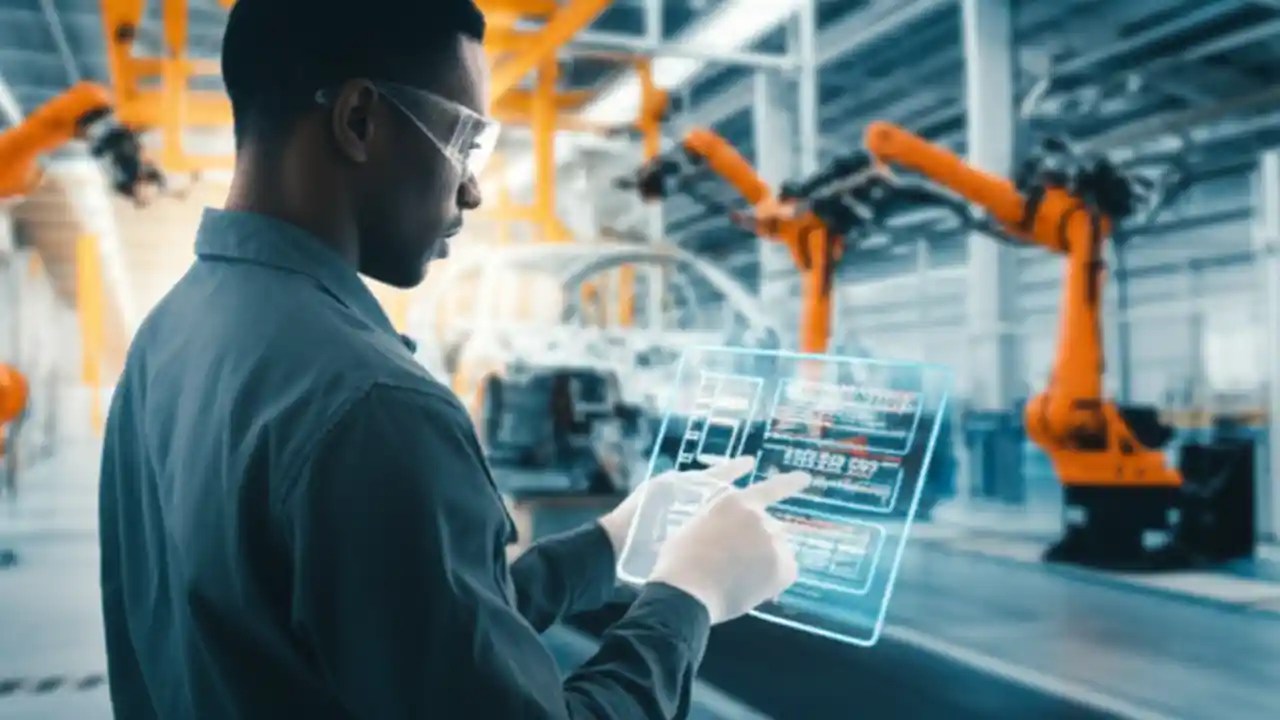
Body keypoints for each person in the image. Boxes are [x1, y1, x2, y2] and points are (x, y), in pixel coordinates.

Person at [97, 1, 808, 718]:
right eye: (462, 140)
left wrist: (607, 543)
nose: (471, 188)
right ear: (358, 121)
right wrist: (689, 599)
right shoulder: (374, 406)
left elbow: (393, 624)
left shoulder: (170, 336)